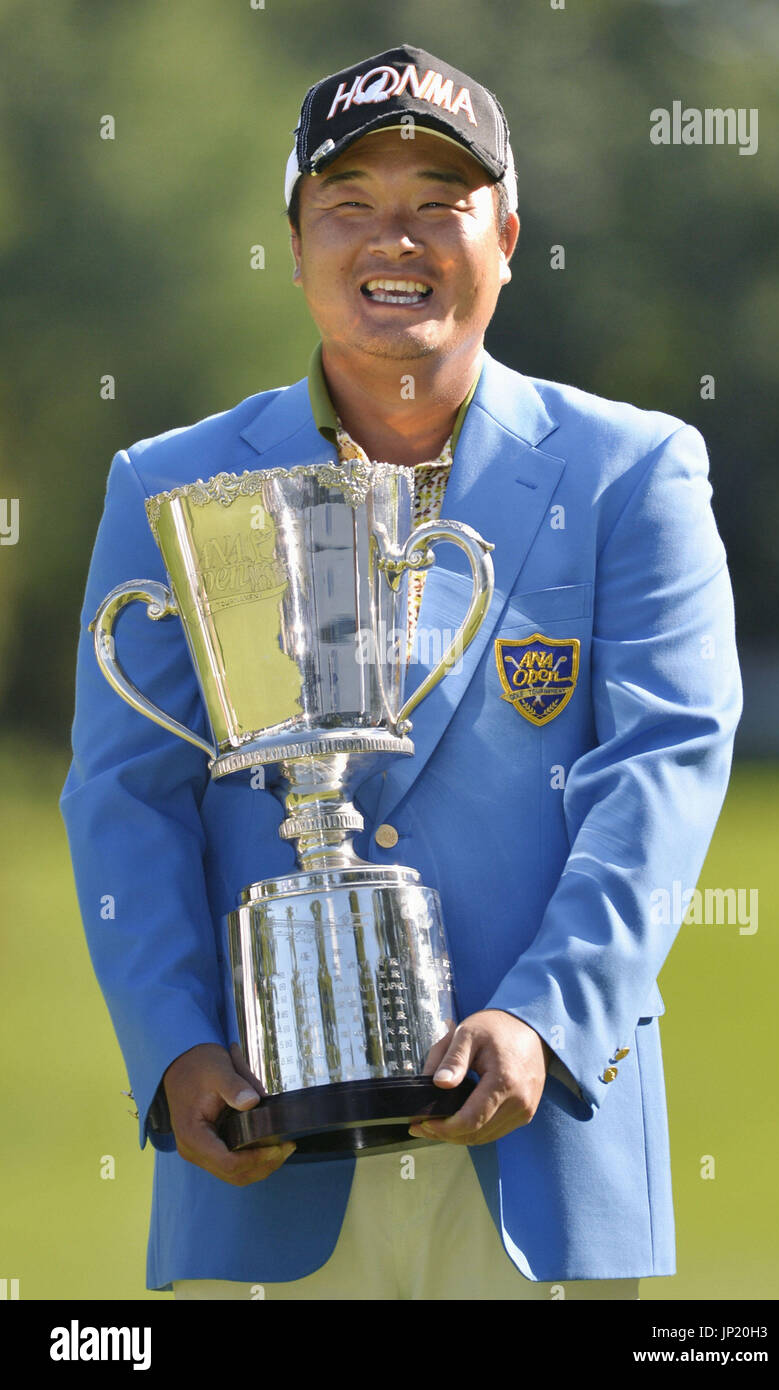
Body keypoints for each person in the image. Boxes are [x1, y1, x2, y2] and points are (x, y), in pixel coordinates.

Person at [60, 44, 742, 1301]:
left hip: (543, 1147)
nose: (397, 236)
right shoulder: (164, 483)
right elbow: (124, 796)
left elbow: (662, 770)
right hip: (263, 1151)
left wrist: (544, 1018)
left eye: (440, 201)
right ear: (297, 234)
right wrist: (172, 1045)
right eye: (352, 204)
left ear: (506, 233)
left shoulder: (633, 469)